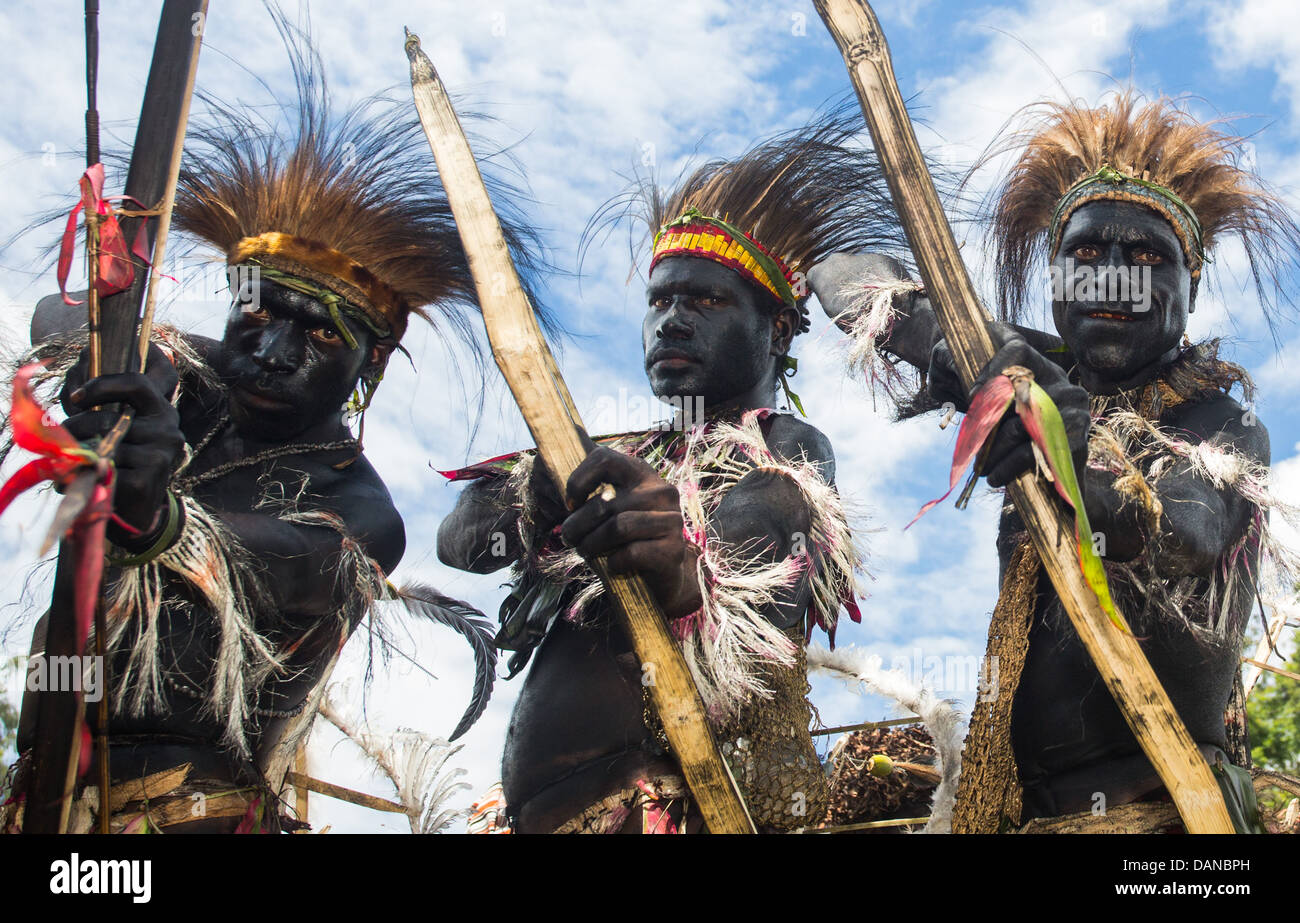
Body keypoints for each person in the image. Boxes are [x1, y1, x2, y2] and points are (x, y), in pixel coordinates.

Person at [1, 31, 542, 833]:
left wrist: (162, 519)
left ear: (371, 366)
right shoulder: (184, 381)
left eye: (321, 336)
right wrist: (112, 354)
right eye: (255, 312)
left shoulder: (359, 508)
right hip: (37, 799)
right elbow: (61, 321)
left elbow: (280, 561)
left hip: (194, 813)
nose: (274, 350)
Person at [812, 91, 1300, 832]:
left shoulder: (1220, 421)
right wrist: (955, 351)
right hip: (1016, 814)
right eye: (1086, 252)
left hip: (1165, 816)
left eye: (1145, 257)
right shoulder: (1032, 368)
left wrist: (1077, 467)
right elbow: (844, 277)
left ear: (1190, 287)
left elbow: (1189, 531)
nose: (1112, 276)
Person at [439, 111, 911, 833]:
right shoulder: (609, 455)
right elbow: (459, 542)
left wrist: (683, 567)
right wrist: (533, 490)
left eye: (705, 299)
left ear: (777, 329)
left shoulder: (786, 448)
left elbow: (772, 535)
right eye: (659, 300)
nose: (673, 320)